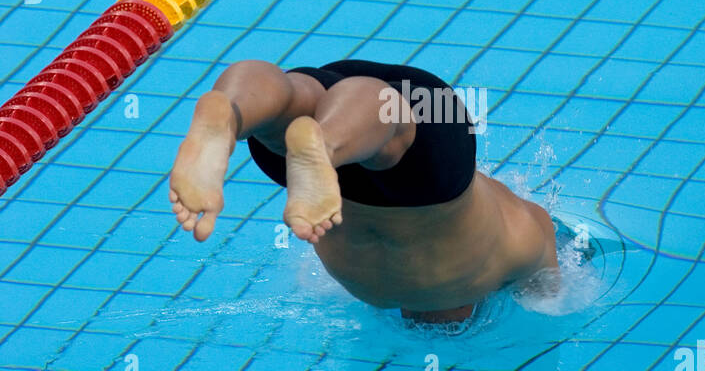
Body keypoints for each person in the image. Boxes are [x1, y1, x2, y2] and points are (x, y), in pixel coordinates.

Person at [169, 58, 557, 324]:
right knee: (390, 130)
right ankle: (322, 143)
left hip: (352, 124)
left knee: (291, 97)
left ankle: (232, 112)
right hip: (410, 162)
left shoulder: (511, 243)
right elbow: (551, 295)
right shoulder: (508, 250)